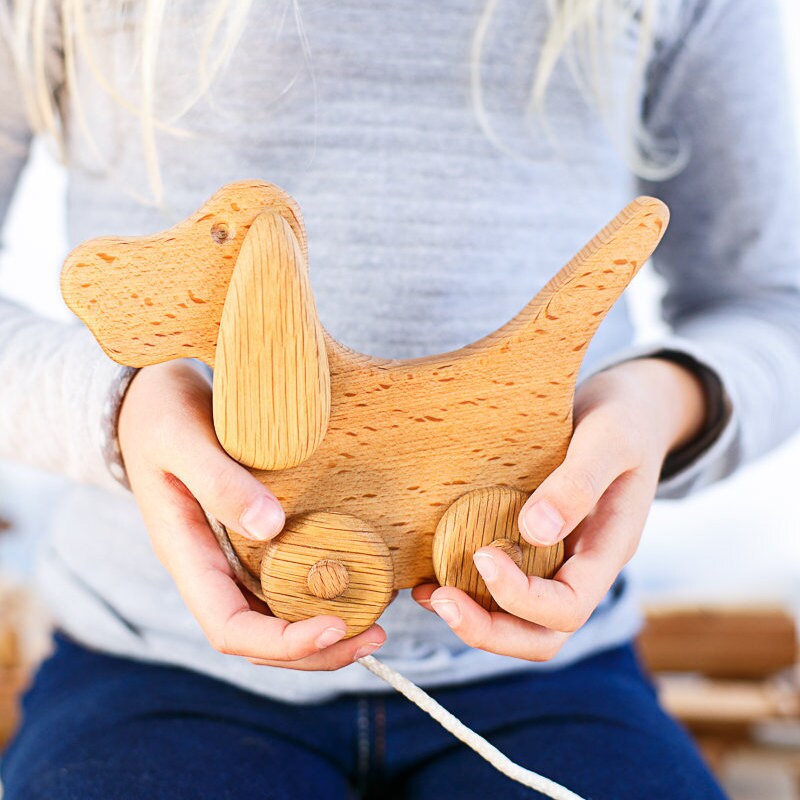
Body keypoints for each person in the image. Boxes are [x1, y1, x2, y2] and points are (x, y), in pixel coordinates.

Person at [1, 1, 798, 797]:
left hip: (556, 674)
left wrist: (662, 402)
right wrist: (118, 407)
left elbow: (775, 302)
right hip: (149, 662)